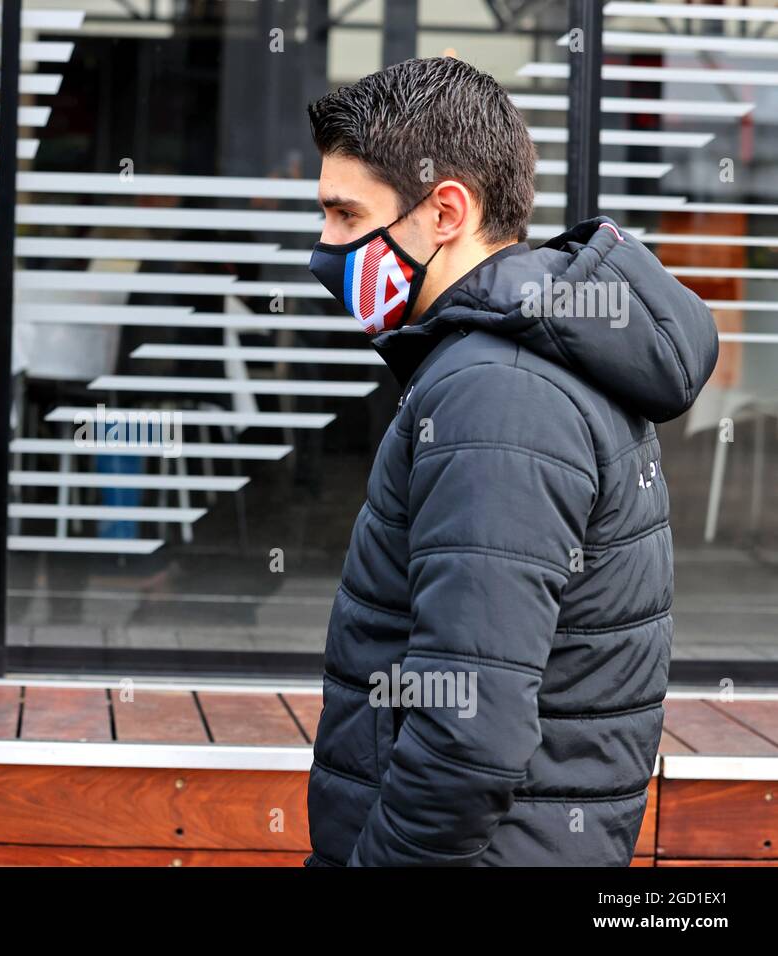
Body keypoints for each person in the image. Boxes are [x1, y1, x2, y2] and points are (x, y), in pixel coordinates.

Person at [303, 57, 718, 866]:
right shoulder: (519, 360)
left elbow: (469, 734)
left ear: (445, 210)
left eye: (346, 216)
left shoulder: (498, 392)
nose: (325, 247)